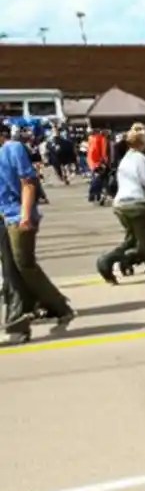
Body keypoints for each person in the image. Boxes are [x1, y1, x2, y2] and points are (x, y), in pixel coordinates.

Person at [0, 124, 75, 344]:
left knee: (24, 264)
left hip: (17, 215)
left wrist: (25, 216)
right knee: (12, 267)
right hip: (4, 216)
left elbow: (28, 182)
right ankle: (36, 309)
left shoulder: (13, 148)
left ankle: (58, 305)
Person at [96, 125, 145, 284]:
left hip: (121, 204)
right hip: (138, 204)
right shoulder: (141, 159)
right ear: (142, 143)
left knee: (133, 240)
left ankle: (112, 262)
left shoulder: (126, 159)